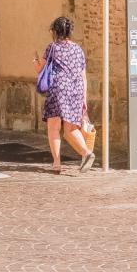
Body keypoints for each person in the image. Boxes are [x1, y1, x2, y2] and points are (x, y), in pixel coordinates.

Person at [37, 16, 94, 175]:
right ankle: (86, 153)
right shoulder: (78, 50)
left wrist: (35, 61)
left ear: (55, 31)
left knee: (53, 128)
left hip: (58, 90)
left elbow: (40, 69)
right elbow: (83, 77)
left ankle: (56, 163)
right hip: (76, 91)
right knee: (70, 129)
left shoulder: (53, 47)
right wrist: (84, 99)